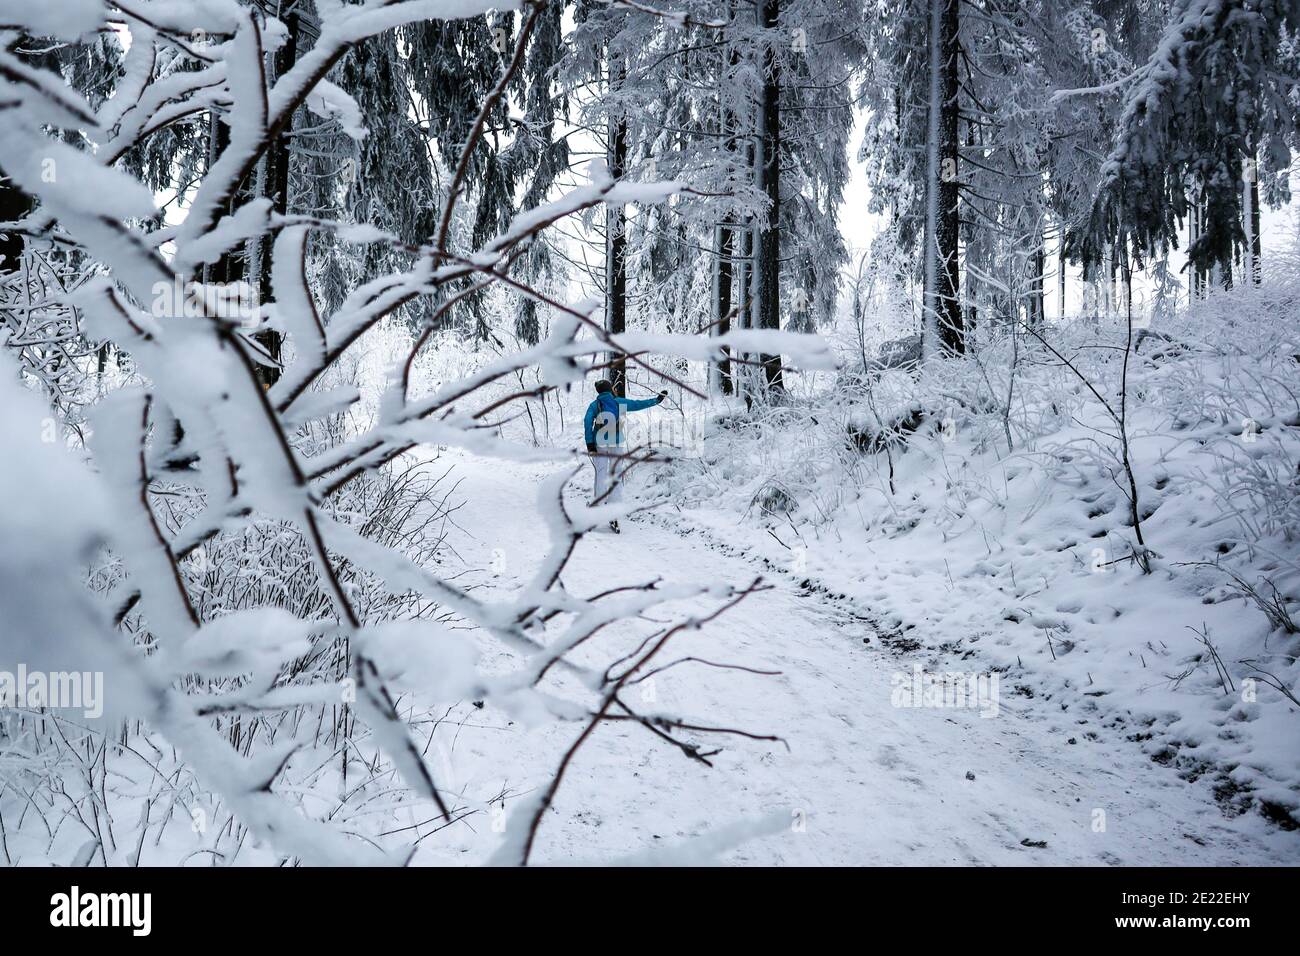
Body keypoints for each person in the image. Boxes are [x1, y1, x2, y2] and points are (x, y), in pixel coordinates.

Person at [583, 379, 667, 533]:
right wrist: (657, 400)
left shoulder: (595, 405)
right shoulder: (619, 402)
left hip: (600, 441)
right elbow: (638, 404)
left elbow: (587, 420)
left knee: (601, 474)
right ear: (610, 390)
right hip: (616, 441)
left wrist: (589, 443)